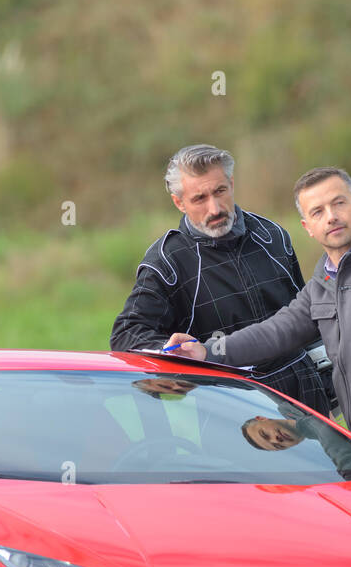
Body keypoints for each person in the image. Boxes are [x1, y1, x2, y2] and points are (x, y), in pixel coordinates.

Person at [167, 166, 351, 467]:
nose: (331, 216)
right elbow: (276, 332)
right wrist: (207, 351)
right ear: (307, 227)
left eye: (339, 203)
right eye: (318, 211)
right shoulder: (323, 284)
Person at [110, 144, 334, 416]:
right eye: (199, 198)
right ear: (179, 202)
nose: (214, 208)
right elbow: (126, 333)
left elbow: (306, 318)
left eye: (220, 191)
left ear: (231, 183)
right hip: (228, 409)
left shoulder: (271, 235)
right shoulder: (167, 261)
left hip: (305, 397)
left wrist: (328, 386)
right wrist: (169, 350)